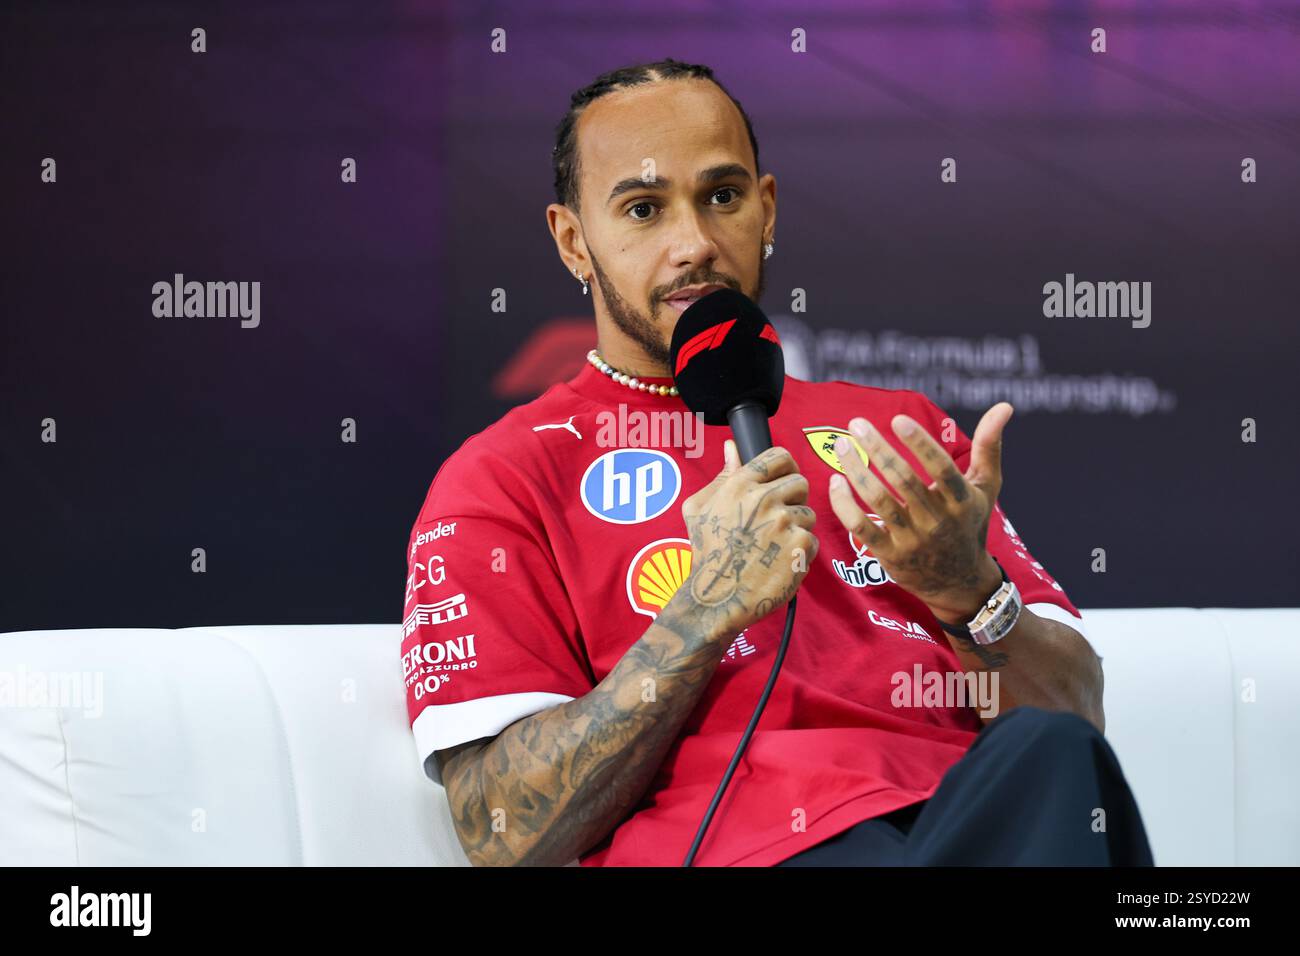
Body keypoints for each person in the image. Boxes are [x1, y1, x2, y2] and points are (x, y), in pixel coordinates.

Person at [402, 59, 1152, 867]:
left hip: (965, 829)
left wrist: (965, 588)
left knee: (1050, 755)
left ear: (766, 210)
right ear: (573, 241)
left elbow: (1078, 720)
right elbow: (501, 830)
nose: (693, 245)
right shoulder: (505, 476)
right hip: (745, 853)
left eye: (722, 197)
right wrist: (701, 613)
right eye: (644, 209)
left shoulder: (899, 428)